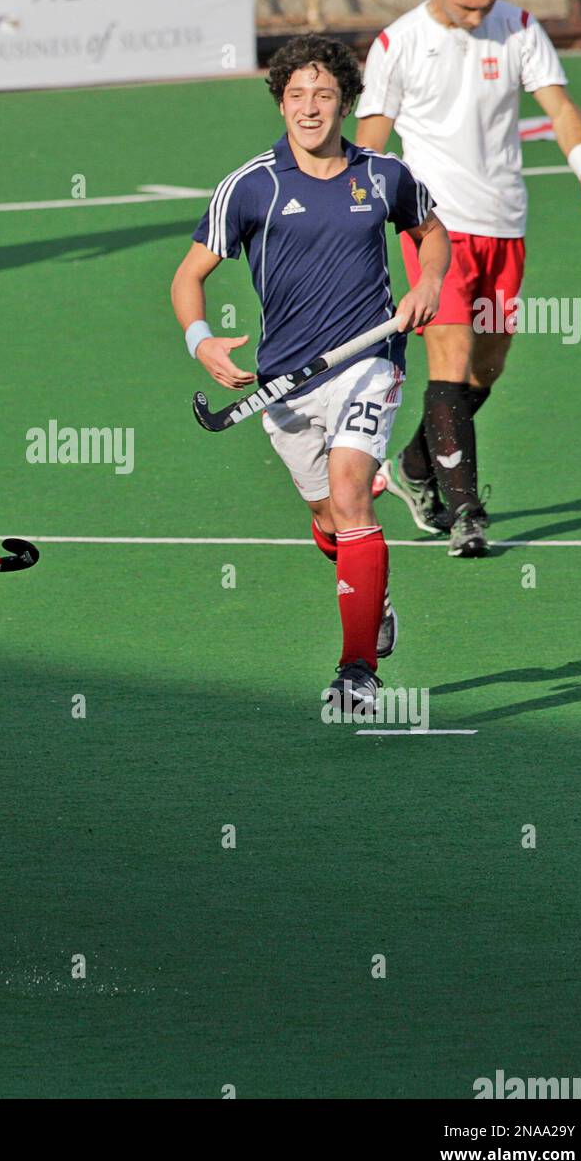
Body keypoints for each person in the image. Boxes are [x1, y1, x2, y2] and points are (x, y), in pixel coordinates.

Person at [172, 35, 448, 708]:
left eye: (323, 95)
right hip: (284, 382)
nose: (309, 107)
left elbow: (429, 233)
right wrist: (200, 340)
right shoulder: (249, 187)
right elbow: (188, 276)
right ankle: (369, 594)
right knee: (326, 517)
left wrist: (428, 282)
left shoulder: (384, 175)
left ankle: (356, 670)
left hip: (369, 361)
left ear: (346, 103)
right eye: (296, 94)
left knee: (352, 494)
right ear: (280, 102)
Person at [356, 0, 581, 556]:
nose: (477, 19)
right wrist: (360, 207)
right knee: (448, 355)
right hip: (436, 228)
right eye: (465, 7)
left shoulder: (519, 27)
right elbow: (372, 134)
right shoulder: (398, 43)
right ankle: (467, 511)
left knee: (487, 367)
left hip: (505, 224)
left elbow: (557, 106)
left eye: (485, 6)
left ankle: (414, 468)